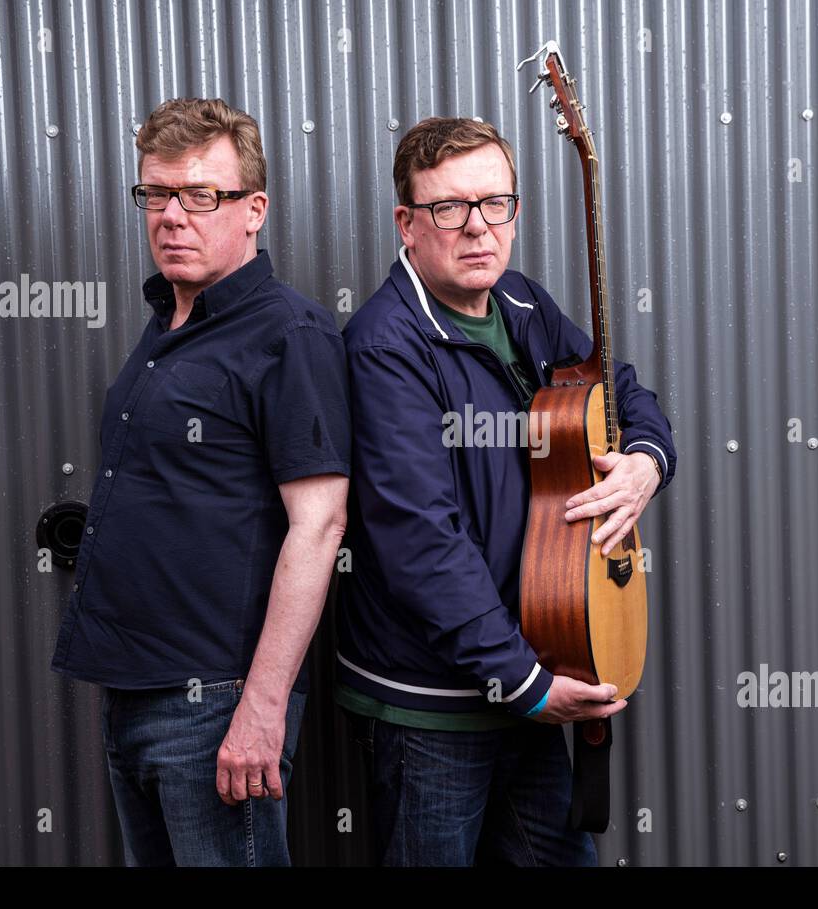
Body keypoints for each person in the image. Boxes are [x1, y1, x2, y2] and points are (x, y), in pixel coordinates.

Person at [335, 117, 676, 866]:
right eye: (449, 208)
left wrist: (648, 459)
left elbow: (614, 385)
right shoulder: (385, 346)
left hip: (531, 673)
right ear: (408, 224)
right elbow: (422, 542)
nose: (478, 228)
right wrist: (523, 682)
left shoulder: (520, 304)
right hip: (435, 706)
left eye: (496, 204)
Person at [51, 97, 350, 866]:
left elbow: (318, 525)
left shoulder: (289, 333)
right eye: (156, 193)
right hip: (133, 693)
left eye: (200, 195)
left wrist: (261, 706)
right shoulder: (168, 324)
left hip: (217, 706)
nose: (172, 216)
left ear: (253, 210)